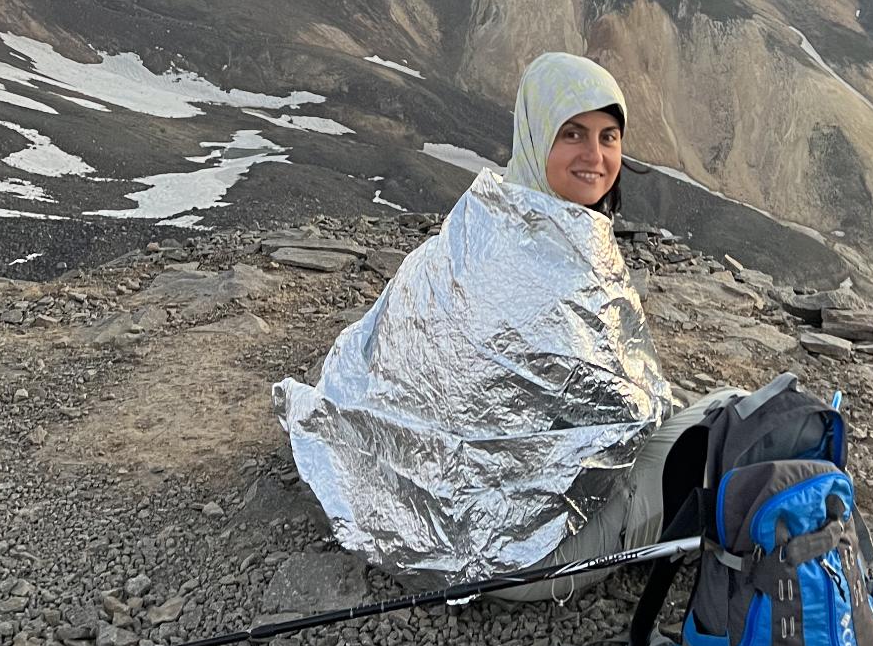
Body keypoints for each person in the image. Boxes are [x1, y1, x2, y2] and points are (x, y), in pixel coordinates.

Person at [274, 51, 737, 598]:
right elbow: (625, 419)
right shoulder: (556, 260)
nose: (596, 155)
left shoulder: (481, 223)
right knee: (729, 418)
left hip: (412, 514)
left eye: (609, 137)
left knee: (681, 410)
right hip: (520, 560)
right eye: (573, 134)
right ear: (539, 134)